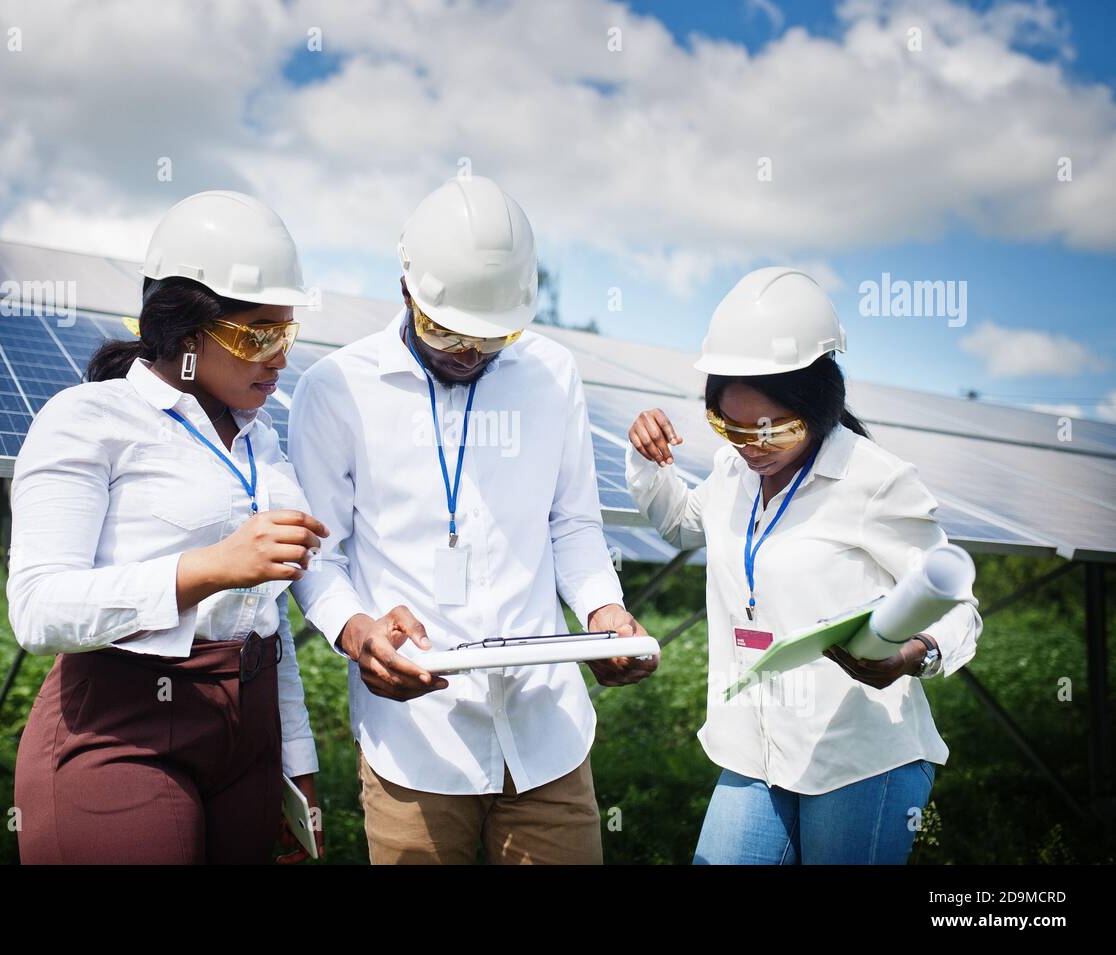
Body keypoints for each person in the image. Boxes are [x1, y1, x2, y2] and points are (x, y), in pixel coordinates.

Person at [288, 176, 656, 865]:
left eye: (491, 337)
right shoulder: (336, 390)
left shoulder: (552, 374)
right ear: (406, 290)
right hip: (416, 746)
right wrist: (355, 631)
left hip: (546, 733)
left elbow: (572, 523)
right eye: (445, 330)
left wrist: (604, 613)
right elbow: (321, 555)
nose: (467, 352)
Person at [9, 190, 328, 864]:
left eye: (286, 332)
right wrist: (208, 568)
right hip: (126, 725)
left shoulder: (260, 439)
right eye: (258, 335)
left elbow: (266, 618)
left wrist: (294, 762)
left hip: (251, 729)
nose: (279, 357)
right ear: (187, 330)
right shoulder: (88, 419)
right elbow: (37, 612)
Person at [626, 266, 982, 865]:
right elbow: (682, 522)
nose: (749, 444)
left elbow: (959, 606)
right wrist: (646, 459)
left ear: (816, 406)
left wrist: (911, 655)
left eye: (769, 429)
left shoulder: (874, 481)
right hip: (753, 752)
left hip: (861, 757)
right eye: (728, 425)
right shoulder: (733, 473)